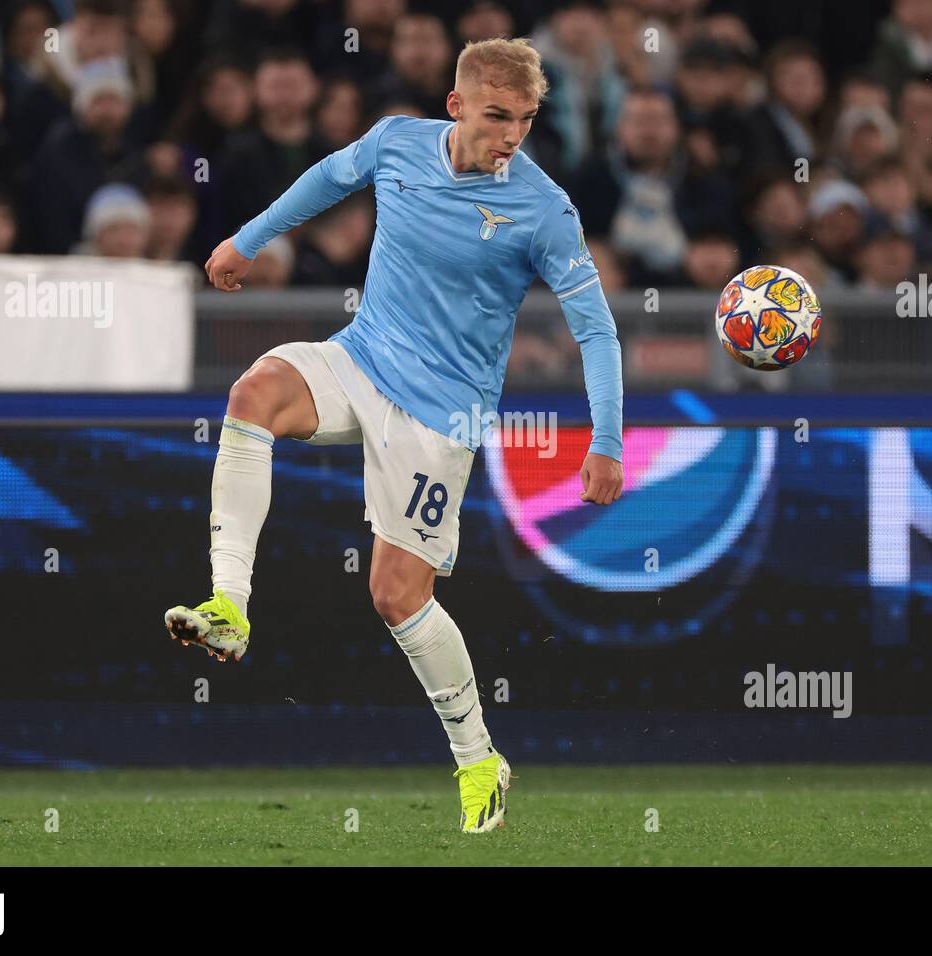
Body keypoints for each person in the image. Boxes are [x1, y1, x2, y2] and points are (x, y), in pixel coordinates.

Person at [162, 37, 624, 834]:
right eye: (495, 116)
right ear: (455, 107)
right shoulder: (396, 143)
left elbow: (597, 330)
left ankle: (479, 758)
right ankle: (230, 606)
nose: (510, 135)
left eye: (524, 120)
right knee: (255, 392)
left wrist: (607, 440)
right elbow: (326, 179)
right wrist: (248, 238)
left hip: (443, 413)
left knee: (395, 595)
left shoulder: (544, 210)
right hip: (362, 356)